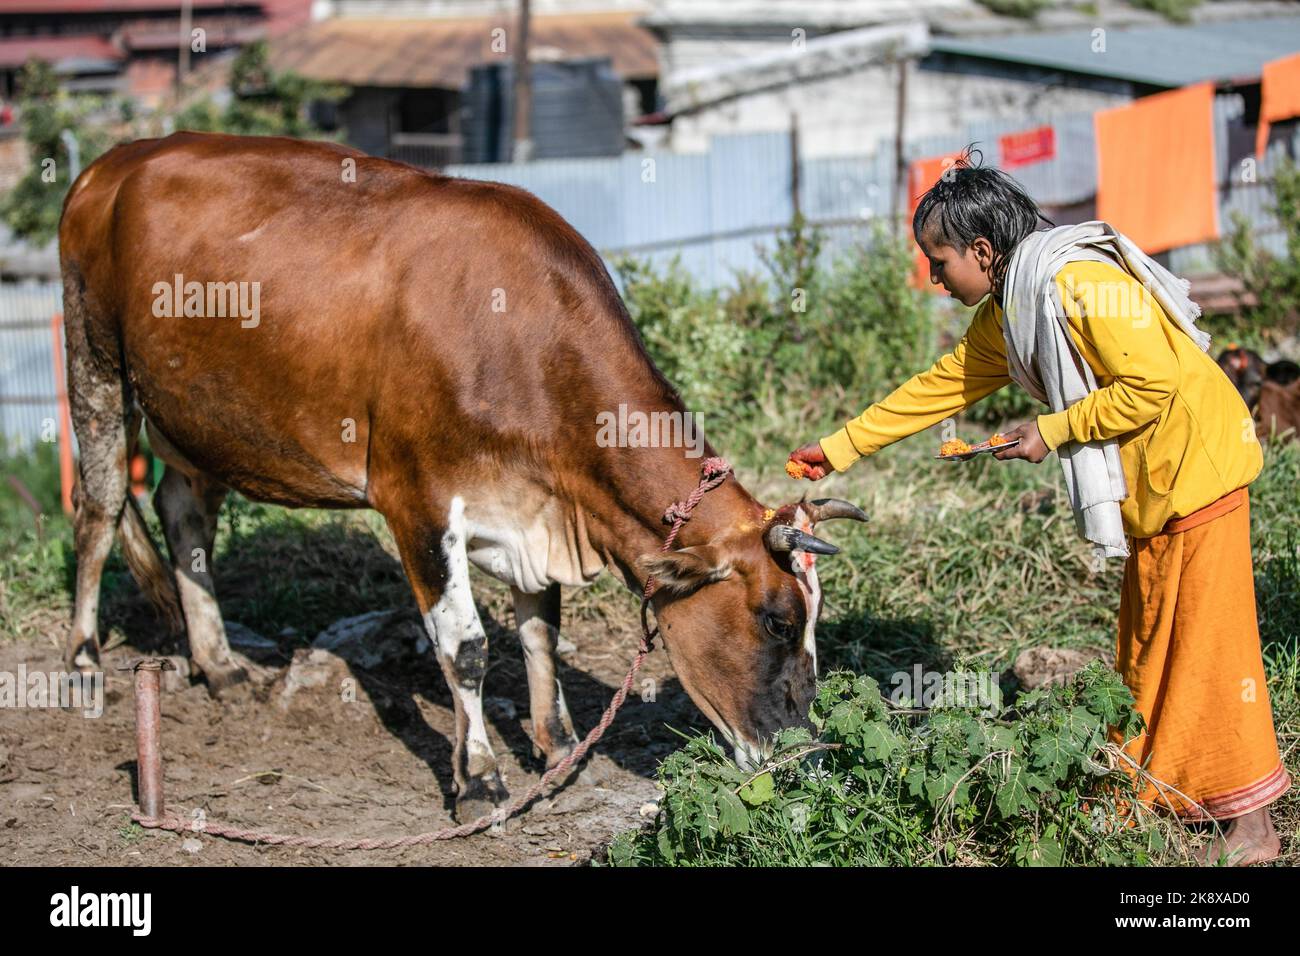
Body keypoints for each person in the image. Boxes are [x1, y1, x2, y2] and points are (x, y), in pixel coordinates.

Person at [788, 149, 1289, 865]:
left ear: (982, 251)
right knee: (1150, 646)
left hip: (1198, 473)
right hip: (1156, 493)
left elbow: (1154, 383)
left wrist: (1049, 431)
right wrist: (837, 449)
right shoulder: (1013, 311)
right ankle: (1164, 792)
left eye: (938, 263)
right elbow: (941, 387)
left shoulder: (1077, 283)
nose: (932, 279)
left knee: (1212, 652)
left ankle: (1256, 831)